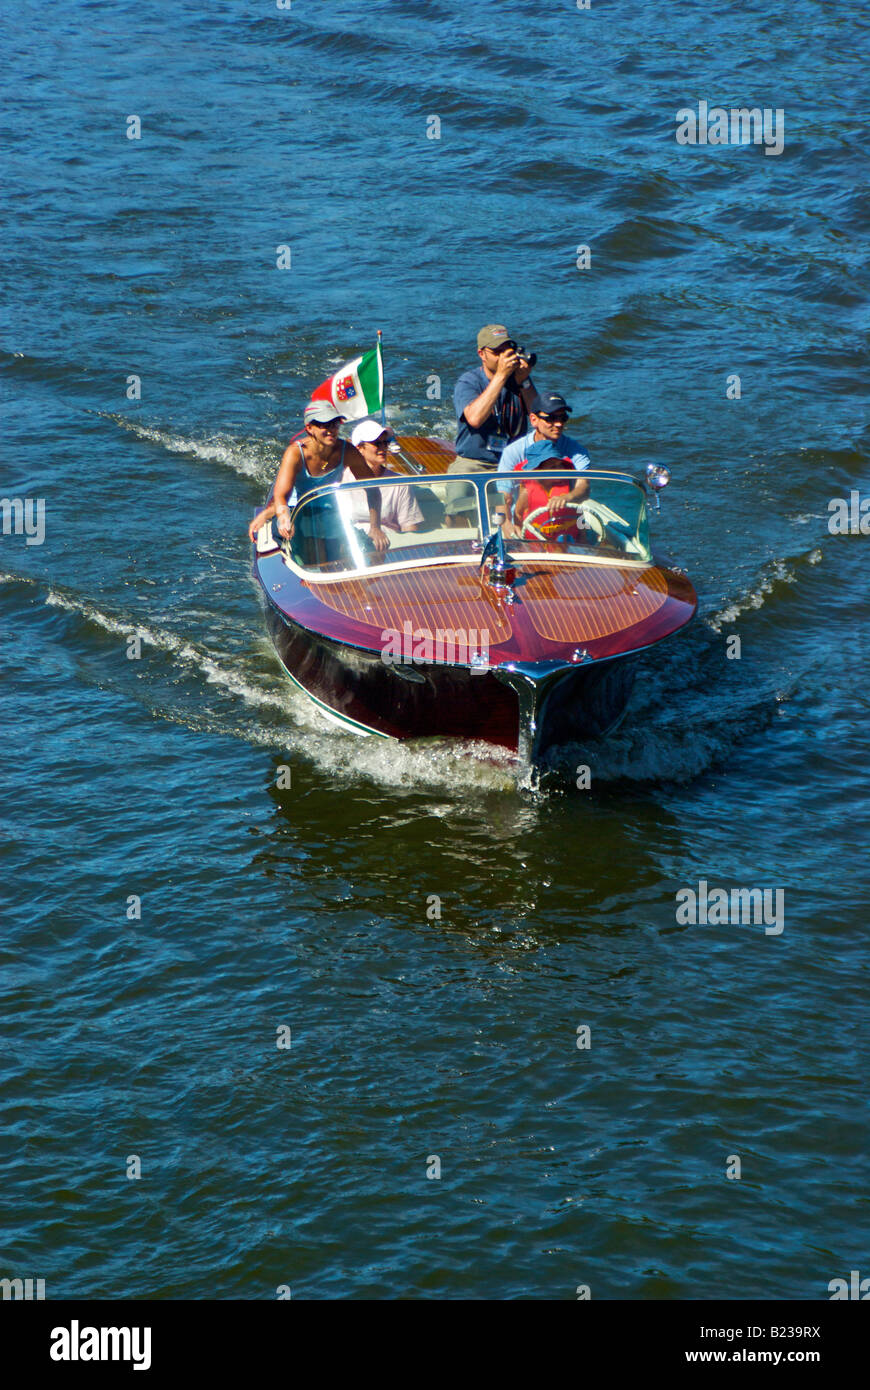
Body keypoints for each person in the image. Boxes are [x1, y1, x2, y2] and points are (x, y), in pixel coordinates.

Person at [248, 402, 388, 550]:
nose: (331, 430)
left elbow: (371, 488)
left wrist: (375, 527)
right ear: (310, 428)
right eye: (325, 425)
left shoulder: (347, 451)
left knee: (366, 548)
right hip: (294, 510)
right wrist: (284, 519)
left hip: (328, 512)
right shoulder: (295, 453)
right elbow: (281, 495)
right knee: (298, 547)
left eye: (335, 424)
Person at [445, 324, 538, 523]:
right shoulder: (469, 382)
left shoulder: (518, 380)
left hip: (513, 463)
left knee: (530, 505)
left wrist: (524, 381)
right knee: (455, 506)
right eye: (497, 352)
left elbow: (538, 419)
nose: (504, 356)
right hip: (473, 461)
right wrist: (501, 376)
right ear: (482, 354)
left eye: (508, 350)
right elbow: (475, 418)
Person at [341, 419, 424, 532]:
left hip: (391, 544)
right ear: (359, 449)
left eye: (385, 443)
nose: (383, 447)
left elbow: (410, 527)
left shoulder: (400, 483)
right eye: (377, 443)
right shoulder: (341, 479)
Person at [508, 439, 591, 542]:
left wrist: (583, 540)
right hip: (537, 544)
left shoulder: (569, 486)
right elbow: (518, 515)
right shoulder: (527, 492)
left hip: (569, 543)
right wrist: (521, 539)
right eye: (553, 467)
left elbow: (579, 513)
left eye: (560, 465)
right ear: (538, 470)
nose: (560, 469)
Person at [498, 391, 590, 474]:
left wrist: (571, 493)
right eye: (551, 418)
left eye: (563, 418)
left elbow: (583, 485)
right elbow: (503, 490)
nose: (559, 424)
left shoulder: (578, 452)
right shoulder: (512, 452)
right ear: (534, 420)